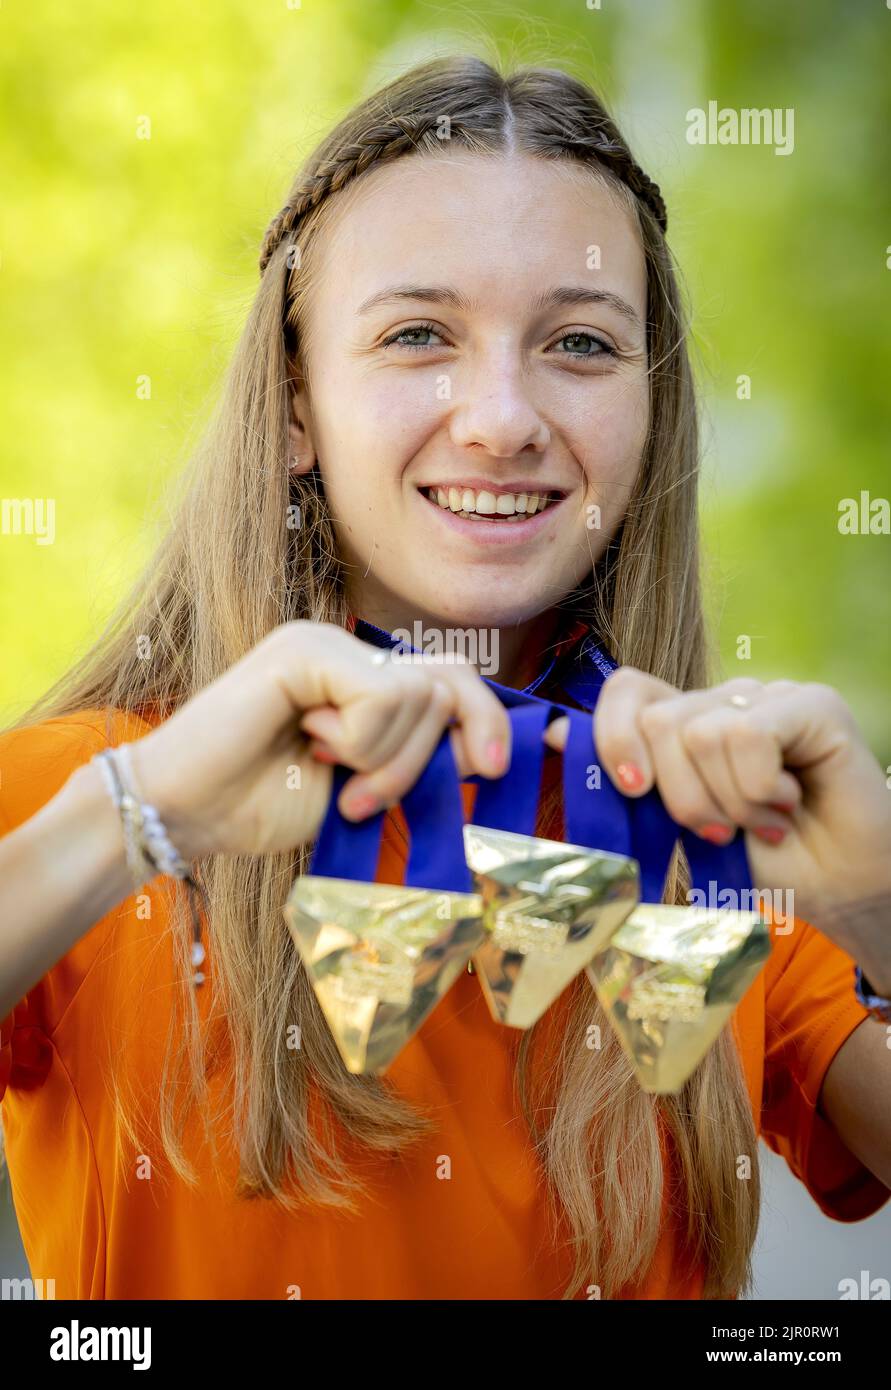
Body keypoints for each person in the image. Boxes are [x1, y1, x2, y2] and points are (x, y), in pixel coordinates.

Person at [1, 55, 889, 1301]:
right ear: (296, 403)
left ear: (651, 406)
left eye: (580, 343)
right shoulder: (79, 801)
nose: (502, 417)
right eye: (419, 334)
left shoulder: (729, 856)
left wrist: (882, 903)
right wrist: (141, 816)